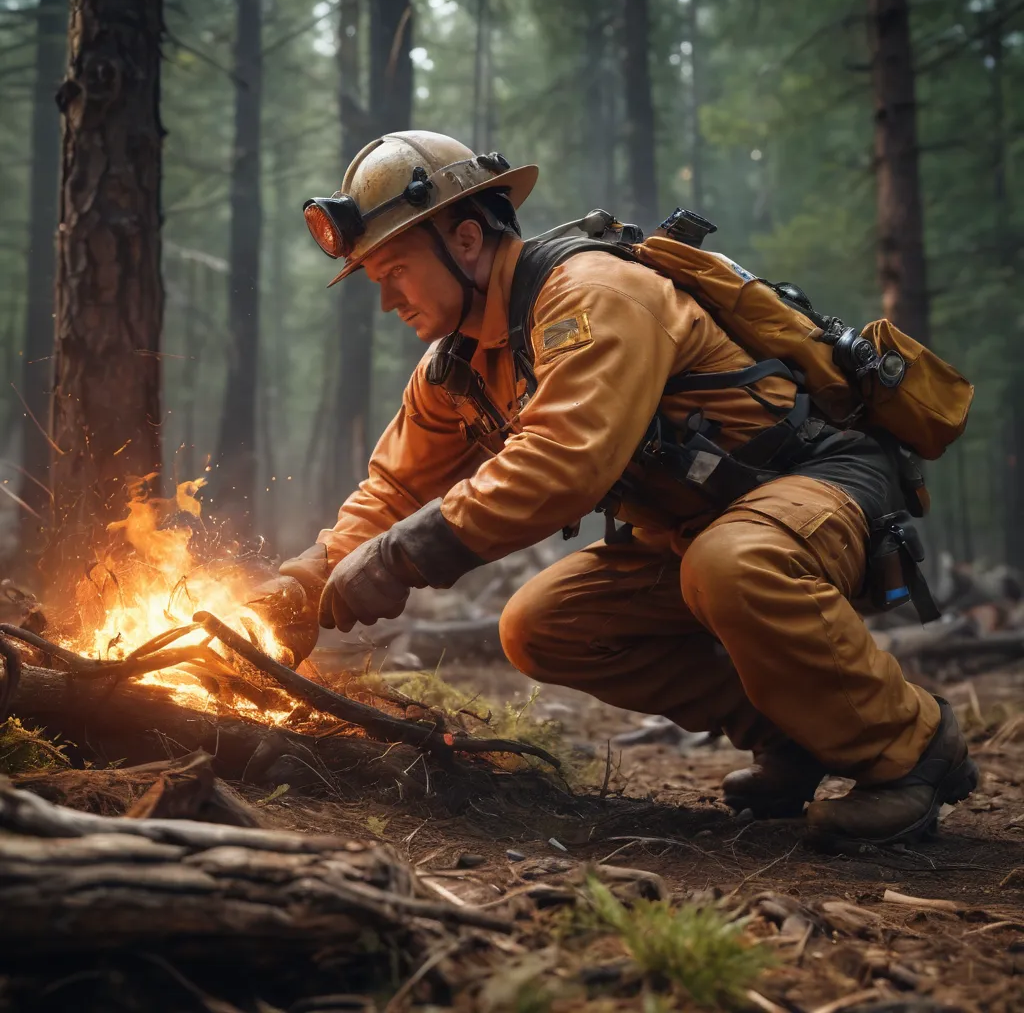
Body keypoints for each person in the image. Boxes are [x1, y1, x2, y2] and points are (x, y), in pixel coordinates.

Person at [254, 130, 977, 848]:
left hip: (817, 482)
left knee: (732, 563)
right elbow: (393, 488)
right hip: (702, 528)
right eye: (375, 280)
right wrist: (306, 582)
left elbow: (561, 462)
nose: (387, 300)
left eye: (395, 271)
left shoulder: (591, 294)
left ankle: (910, 748)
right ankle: (802, 734)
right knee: (543, 625)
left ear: (466, 239)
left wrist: (400, 557)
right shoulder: (457, 369)